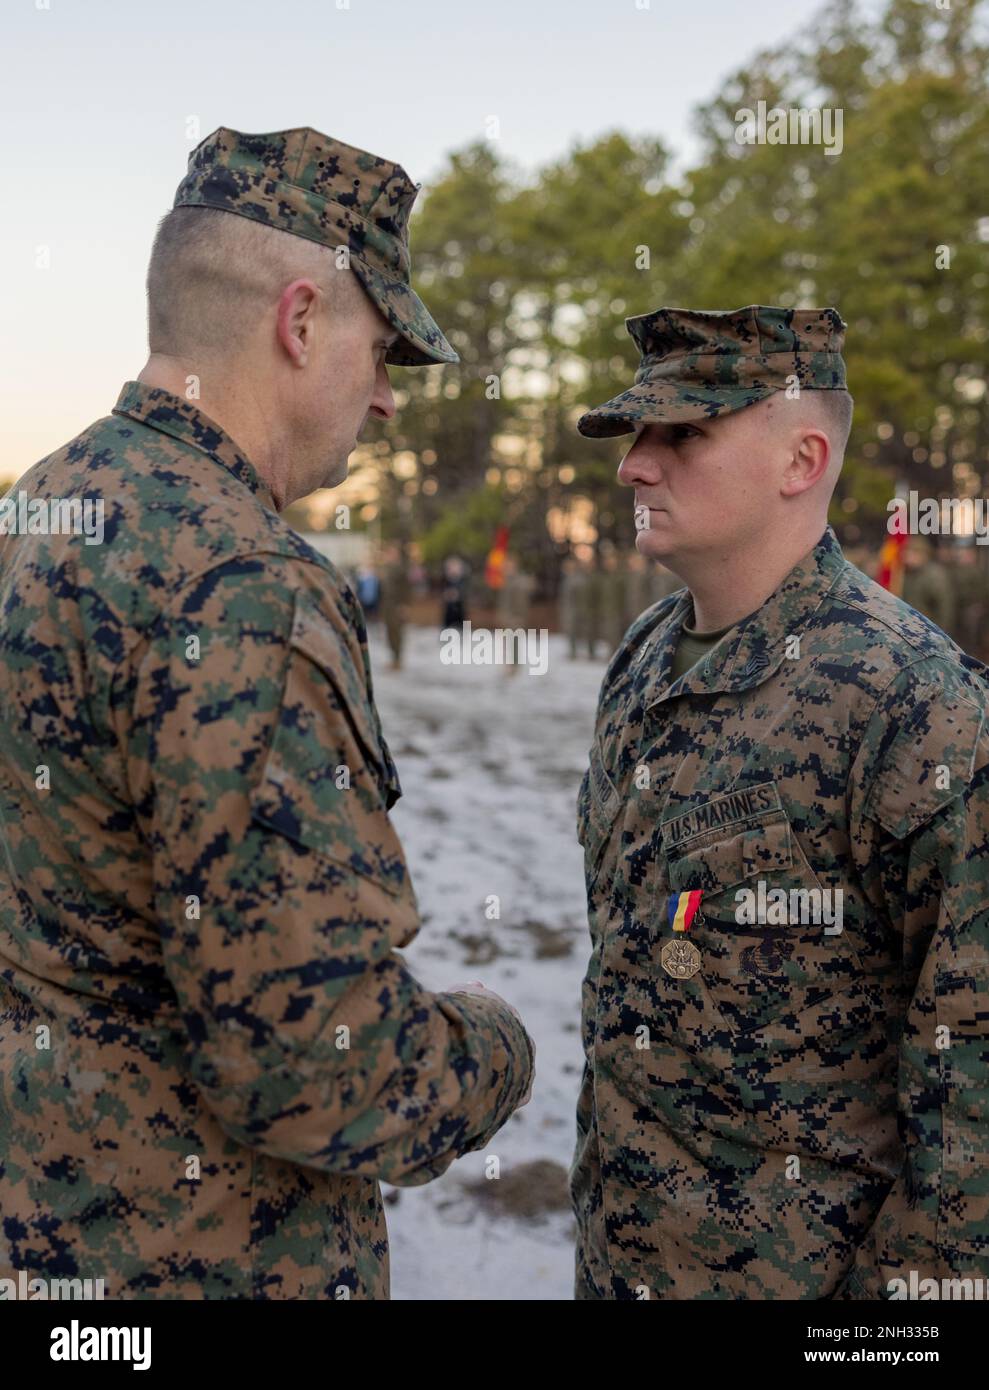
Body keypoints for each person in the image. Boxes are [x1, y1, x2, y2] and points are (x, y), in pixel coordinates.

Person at [0, 125, 533, 1301]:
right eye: (383, 351)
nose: (388, 401)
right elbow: (311, 1064)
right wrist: (495, 1049)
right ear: (300, 323)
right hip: (210, 1257)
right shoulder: (250, 586)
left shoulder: (39, 505)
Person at [570, 304, 989, 1300]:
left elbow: (970, 1081)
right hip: (618, 1258)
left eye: (683, 434)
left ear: (798, 462)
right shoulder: (640, 657)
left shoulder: (911, 701)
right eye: (636, 435)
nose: (634, 464)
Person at [901, 535, 956, 637]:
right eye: (906, 551)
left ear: (924, 554)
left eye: (914, 552)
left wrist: (940, 633)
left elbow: (944, 608)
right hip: (906, 626)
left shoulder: (935, 575)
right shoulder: (902, 573)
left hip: (928, 630)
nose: (908, 556)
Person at [377, 542, 408, 671]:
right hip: (387, 606)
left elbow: (406, 589)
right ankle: (393, 659)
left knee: (397, 633)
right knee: (389, 633)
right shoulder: (386, 569)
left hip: (397, 606)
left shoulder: (401, 569)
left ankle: (398, 660)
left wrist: (405, 605)